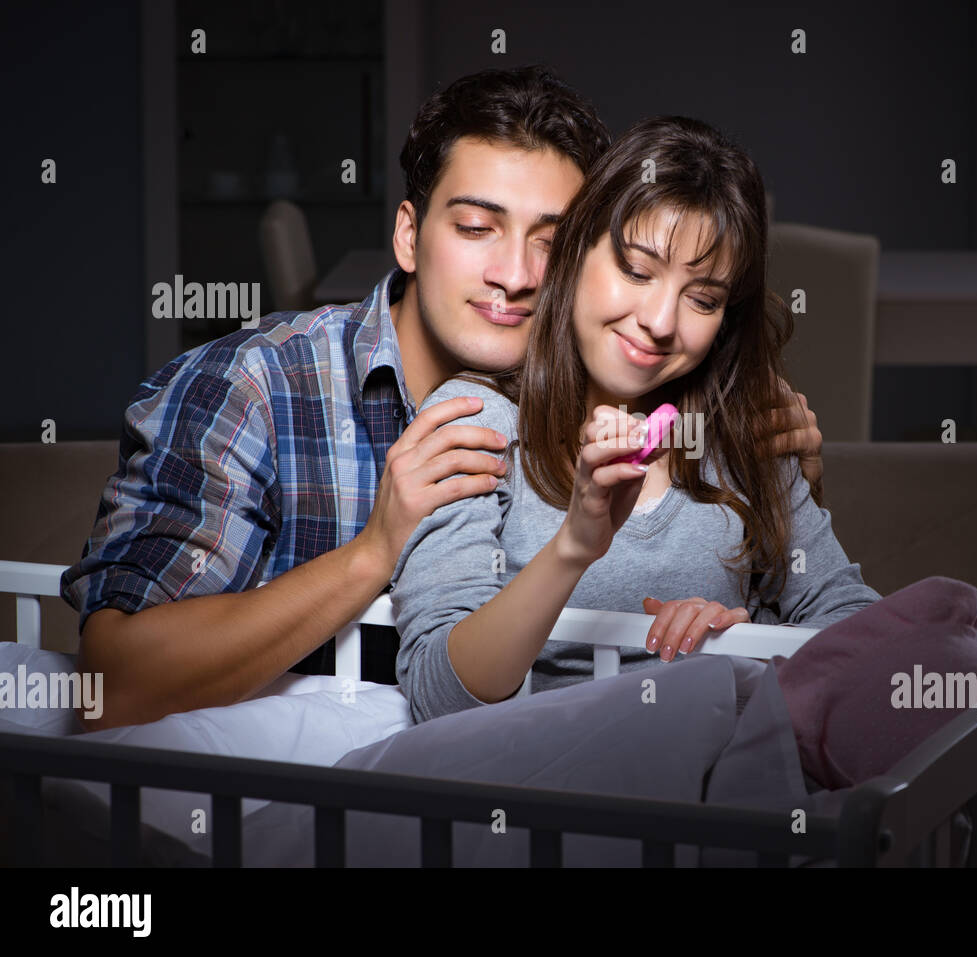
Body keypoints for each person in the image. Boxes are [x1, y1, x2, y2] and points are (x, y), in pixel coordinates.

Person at [60, 66, 826, 731]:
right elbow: (112, 684)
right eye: (475, 226)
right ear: (408, 235)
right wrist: (374, 549)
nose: (515, 274)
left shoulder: (621, 403)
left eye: (551, 242)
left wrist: (767, 519)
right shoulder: (258, 386)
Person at [392, 115, 882, 723]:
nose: (659, 320)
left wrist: (746, 646)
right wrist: (573, 547)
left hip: (722, 792)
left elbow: (859, 626)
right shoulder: (474, 424)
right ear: (575, 254)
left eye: (702, 299)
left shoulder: (746, 427)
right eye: (636, 270)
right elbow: (438, 696)